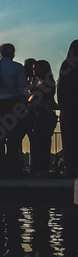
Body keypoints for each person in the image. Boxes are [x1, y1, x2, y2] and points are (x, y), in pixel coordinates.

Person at [0, 42, 27, 177]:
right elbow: (22, 89)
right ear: (13, 53)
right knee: (13, 138)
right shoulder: (18, 67)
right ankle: (12, 167)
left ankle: (0, 168)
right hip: (13, 105)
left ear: (0, 53)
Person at [26, 60, 57, 175]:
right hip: (36, 115)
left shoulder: (48, 82)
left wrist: (31, 99)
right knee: (36, 142)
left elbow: (40, 97)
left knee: (43, 142)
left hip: (44, 115)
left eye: (35, 68)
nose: (33, 71)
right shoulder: (35, 82)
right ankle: (36, 167)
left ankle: (43, 168)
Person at [58, 39, 78, 178]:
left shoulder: (66, 66)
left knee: (70, 139)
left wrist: (62, 106)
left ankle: (71, 167)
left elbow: (61, 88)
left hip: (69, 108)